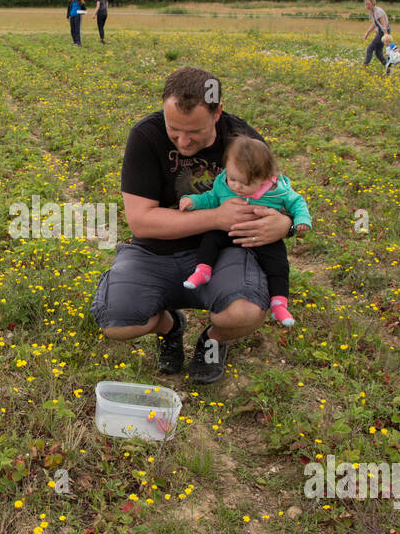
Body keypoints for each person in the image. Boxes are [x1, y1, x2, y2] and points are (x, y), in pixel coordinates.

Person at [89, 66, 294, 384]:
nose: (183, 141)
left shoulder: (244, 141)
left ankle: (213, 340)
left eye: (194, 132)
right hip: (154, 251)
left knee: (245, 311)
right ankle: (171, 327)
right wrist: (216, 217)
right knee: (116, 320)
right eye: (174, 129)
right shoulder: (145, 136)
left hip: (225, 251)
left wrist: (286, 224)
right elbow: (141, 222)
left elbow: (281, 198)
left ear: (217, 112)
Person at [179, 137, 311, 326]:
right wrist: (192, 201)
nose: (236, 186)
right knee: (210, 239)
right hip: (229, 231)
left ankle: (279, 303)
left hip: (263, 237)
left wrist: (302, 220)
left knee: (279, 265)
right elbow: (211, 198)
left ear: (265, 178)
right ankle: (203, 270)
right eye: (232, 178)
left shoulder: (278, 191)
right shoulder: (224, 182)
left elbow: (297, 203)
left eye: (245, 183)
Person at [362, 0, 390, 70]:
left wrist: (386, 35)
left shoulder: (379, 11)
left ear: (373, 3)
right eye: (366, 4)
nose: (367, 6)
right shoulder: (372, 12)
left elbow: (384, 25)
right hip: (380, 32)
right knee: (378, 52)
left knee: (369, 48)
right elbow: (374, 24)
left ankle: (365, 66)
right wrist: (367, 33)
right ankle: (387, 65)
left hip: (383, 32)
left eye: (369, 4)